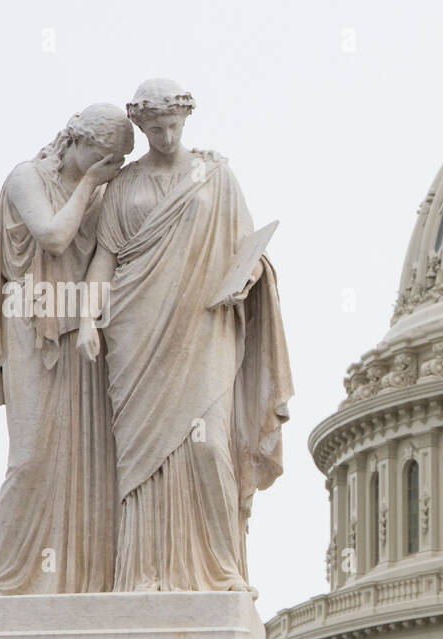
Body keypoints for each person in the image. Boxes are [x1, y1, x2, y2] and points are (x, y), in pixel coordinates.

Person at [80, 78, 293, 594]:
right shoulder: (124, 186)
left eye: (174, 125)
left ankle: (221, 571)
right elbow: (103, 260)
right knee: (139, 459)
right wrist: (88, 320)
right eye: (156, 128)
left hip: (204, 325)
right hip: (136, 329)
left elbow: (250, 251)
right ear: (141, 127)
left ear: (186, 121)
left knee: (208, 447)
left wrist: (247, 276)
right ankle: (145, 574)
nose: (167, 135)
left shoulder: (215, 176)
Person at [0, 104, 133, 594]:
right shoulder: (28, 177)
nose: (110, 169)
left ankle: (80, 584)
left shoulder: (106, 193)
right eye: (104, 156)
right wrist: (90, 185)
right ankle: (15, 583)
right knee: (30, 458)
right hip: (31, 324)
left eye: (119, 162)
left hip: (82, 333)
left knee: (88, 460)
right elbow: (54, 237)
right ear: (76, 141)